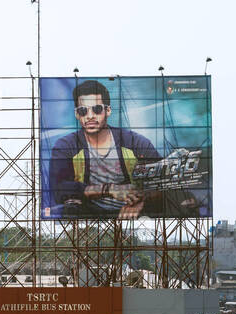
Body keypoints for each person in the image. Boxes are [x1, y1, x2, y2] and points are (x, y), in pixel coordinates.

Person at [47, 79, 177, 220]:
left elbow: (163, 182)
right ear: (77, 114)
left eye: (97, 109)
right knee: (70, 207)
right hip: (89, 211)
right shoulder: (66, 146)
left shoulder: (134, 142)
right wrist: (108, 190)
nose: (90, 116)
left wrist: (143, 202)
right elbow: (58, 188)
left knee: (166, 205)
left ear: (108, 110)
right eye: (83, 111)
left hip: (132, 211)